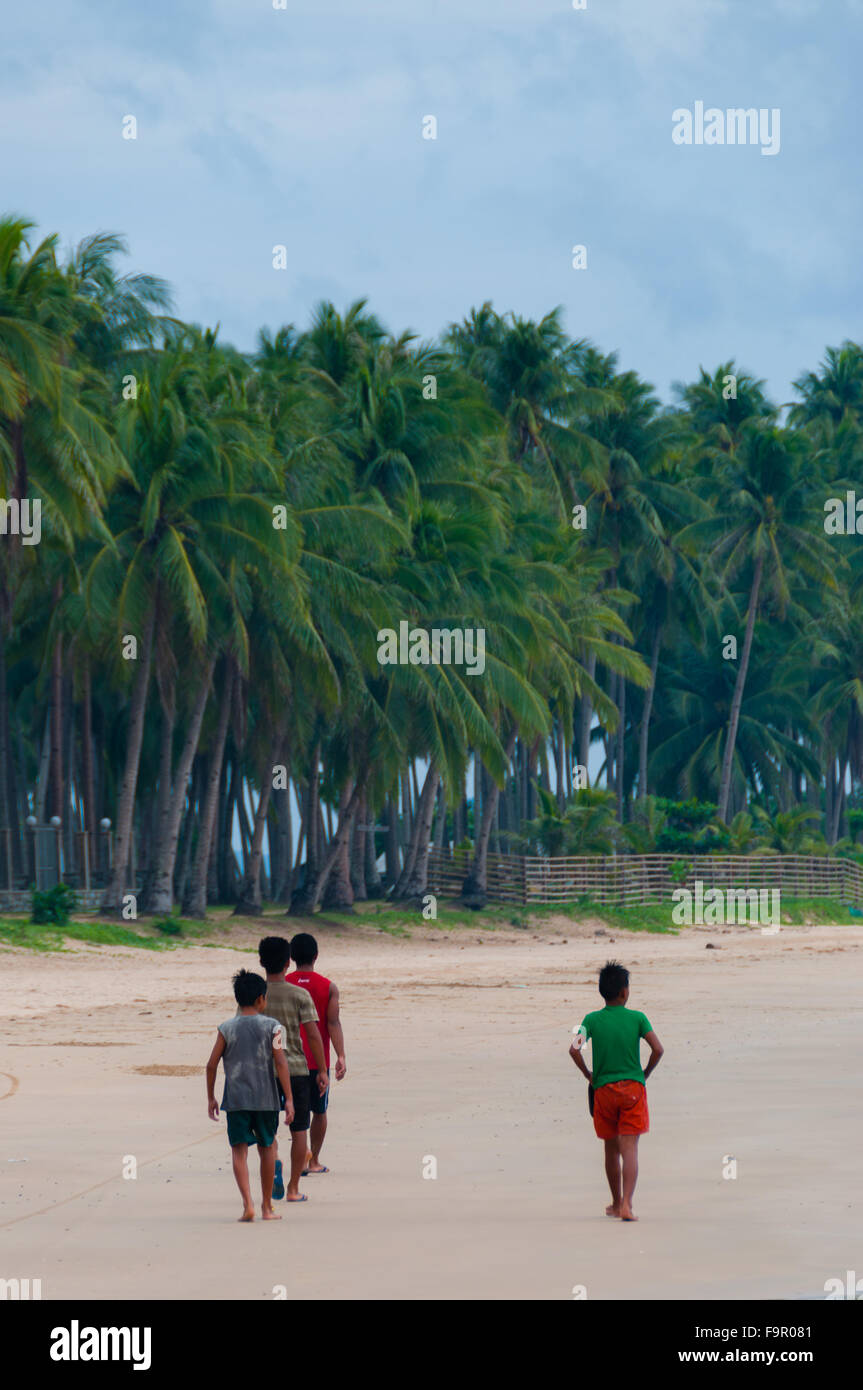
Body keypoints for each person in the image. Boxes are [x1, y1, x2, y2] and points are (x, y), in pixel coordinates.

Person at [569, 960, 664, 1222]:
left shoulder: (591, 1020)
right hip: (633, 1089)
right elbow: (658, 1049)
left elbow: (574, 1049)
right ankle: (627, 1205)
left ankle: (614, 1201)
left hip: (603, 1091)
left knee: (611, 1149)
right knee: (629, 1147)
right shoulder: (638, 1018)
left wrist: (589, 1075)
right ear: (625, 992)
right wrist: (644, 1074)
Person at [205, 969, 294, 1222]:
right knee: (267, 1148)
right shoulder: (274, 1028)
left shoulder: (226, 1028)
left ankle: (247, 1205)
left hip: (236, 1099)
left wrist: (211, 1096)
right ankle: (267, 1207)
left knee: (239, 1151)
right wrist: (288, 1098)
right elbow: (281, 1063)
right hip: (266, 1099)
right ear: (261, 999)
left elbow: (211, 1065)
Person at [256, 936, 328, 1203]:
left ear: (261, 961)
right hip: (296, 1069)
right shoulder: (300, 995)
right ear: (288, 963)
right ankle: (294, 1188)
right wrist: (321, 1070)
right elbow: (312, 1035)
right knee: (299, 1130)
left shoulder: (256, 993)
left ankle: (273, 1158)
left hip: (263, 1071)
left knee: (268, 1129)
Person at [286, 933, 346, 1174]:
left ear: (291, 957)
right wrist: (340, 1055)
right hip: (316, 1061)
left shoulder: (282, 984)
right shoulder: (328, 987)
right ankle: (313, 1159)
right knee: (319, 1110)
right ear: (316, 956)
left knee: (296, 1110)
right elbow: (333, 1023)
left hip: (288, 1061)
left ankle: (301, 1156)